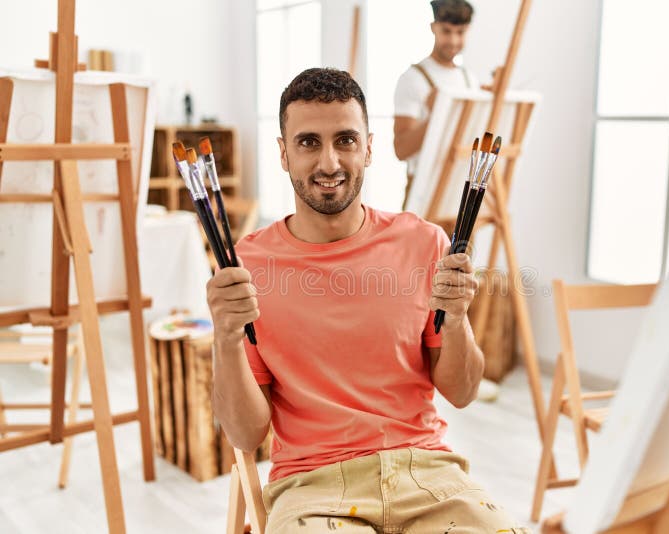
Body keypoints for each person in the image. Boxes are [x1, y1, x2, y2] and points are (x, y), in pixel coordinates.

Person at [207, 68, 528, 533]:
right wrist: (224, 337)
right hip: (314, 490)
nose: (330, 163)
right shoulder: (246, 266)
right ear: (283, 153)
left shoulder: (425, 244)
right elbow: (244, 434)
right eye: (308, 142)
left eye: (345, 140)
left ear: (369, 148)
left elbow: (462, 391)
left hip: (427, 475)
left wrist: (456, 320)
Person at [394, 0, 479, 210]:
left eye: (460, 32)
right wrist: (437, 115)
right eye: (446, 31)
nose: (453, 40)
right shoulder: (413, 78)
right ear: (433, 28)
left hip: (461, 193)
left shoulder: (470, 80)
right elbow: (401, 149)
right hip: (423, 193)